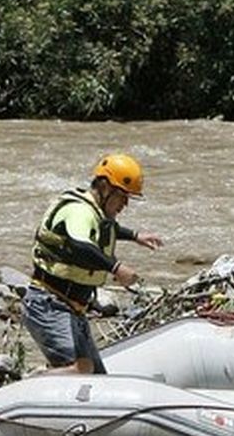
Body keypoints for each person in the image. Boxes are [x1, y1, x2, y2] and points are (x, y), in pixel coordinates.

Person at [22, 153, 163, 374]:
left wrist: (136, 235)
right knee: (80, 370)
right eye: (122, 196)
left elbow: (106, 228)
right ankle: (28, 385)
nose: (125, 204)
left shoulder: (95, 212)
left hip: (71, 308)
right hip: (49, 304)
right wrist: (116, 268)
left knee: (96, 378)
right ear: (105, 187)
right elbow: (80, 244)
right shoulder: (78, 211)